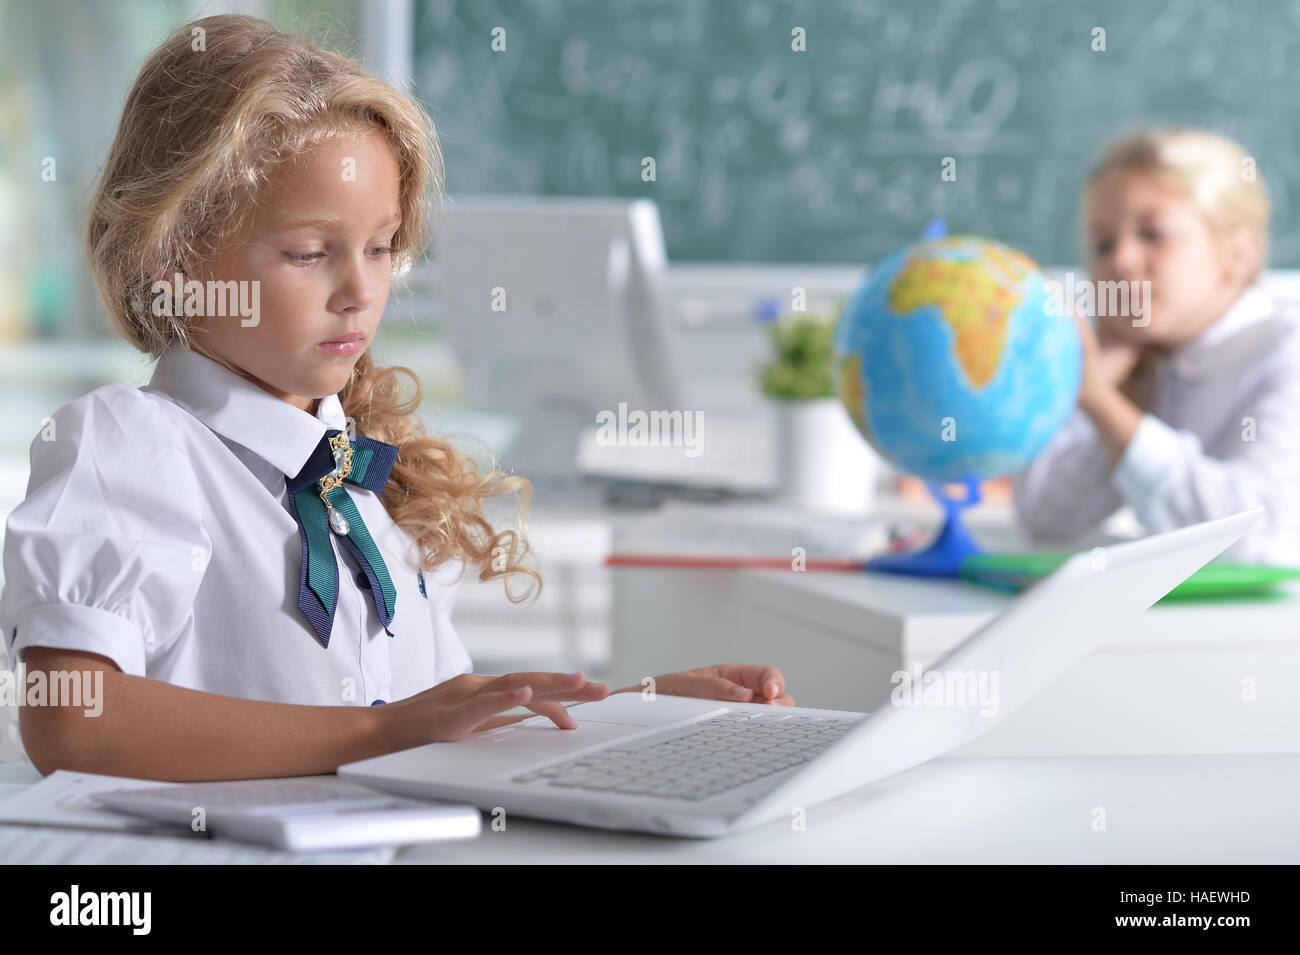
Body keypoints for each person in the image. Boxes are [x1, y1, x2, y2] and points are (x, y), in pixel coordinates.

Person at [0, 14, 792, 782]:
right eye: (308, 252)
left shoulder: (364, 489)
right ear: (173, 255)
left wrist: (643, 712)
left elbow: (440, 726)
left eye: (381, 248)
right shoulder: (133, 443)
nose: (359, 291)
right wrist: (379, 732)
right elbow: (70, 720)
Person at [1014, 127, 1300, 564]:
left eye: (1153, 233)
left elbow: (1253, 539)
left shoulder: (1284, 350)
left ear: (1239, 251)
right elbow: (1043, 516)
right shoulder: (1155, 357)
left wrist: (1103, 404)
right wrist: (1104, 389)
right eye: (1103, 244)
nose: (1121, 260)